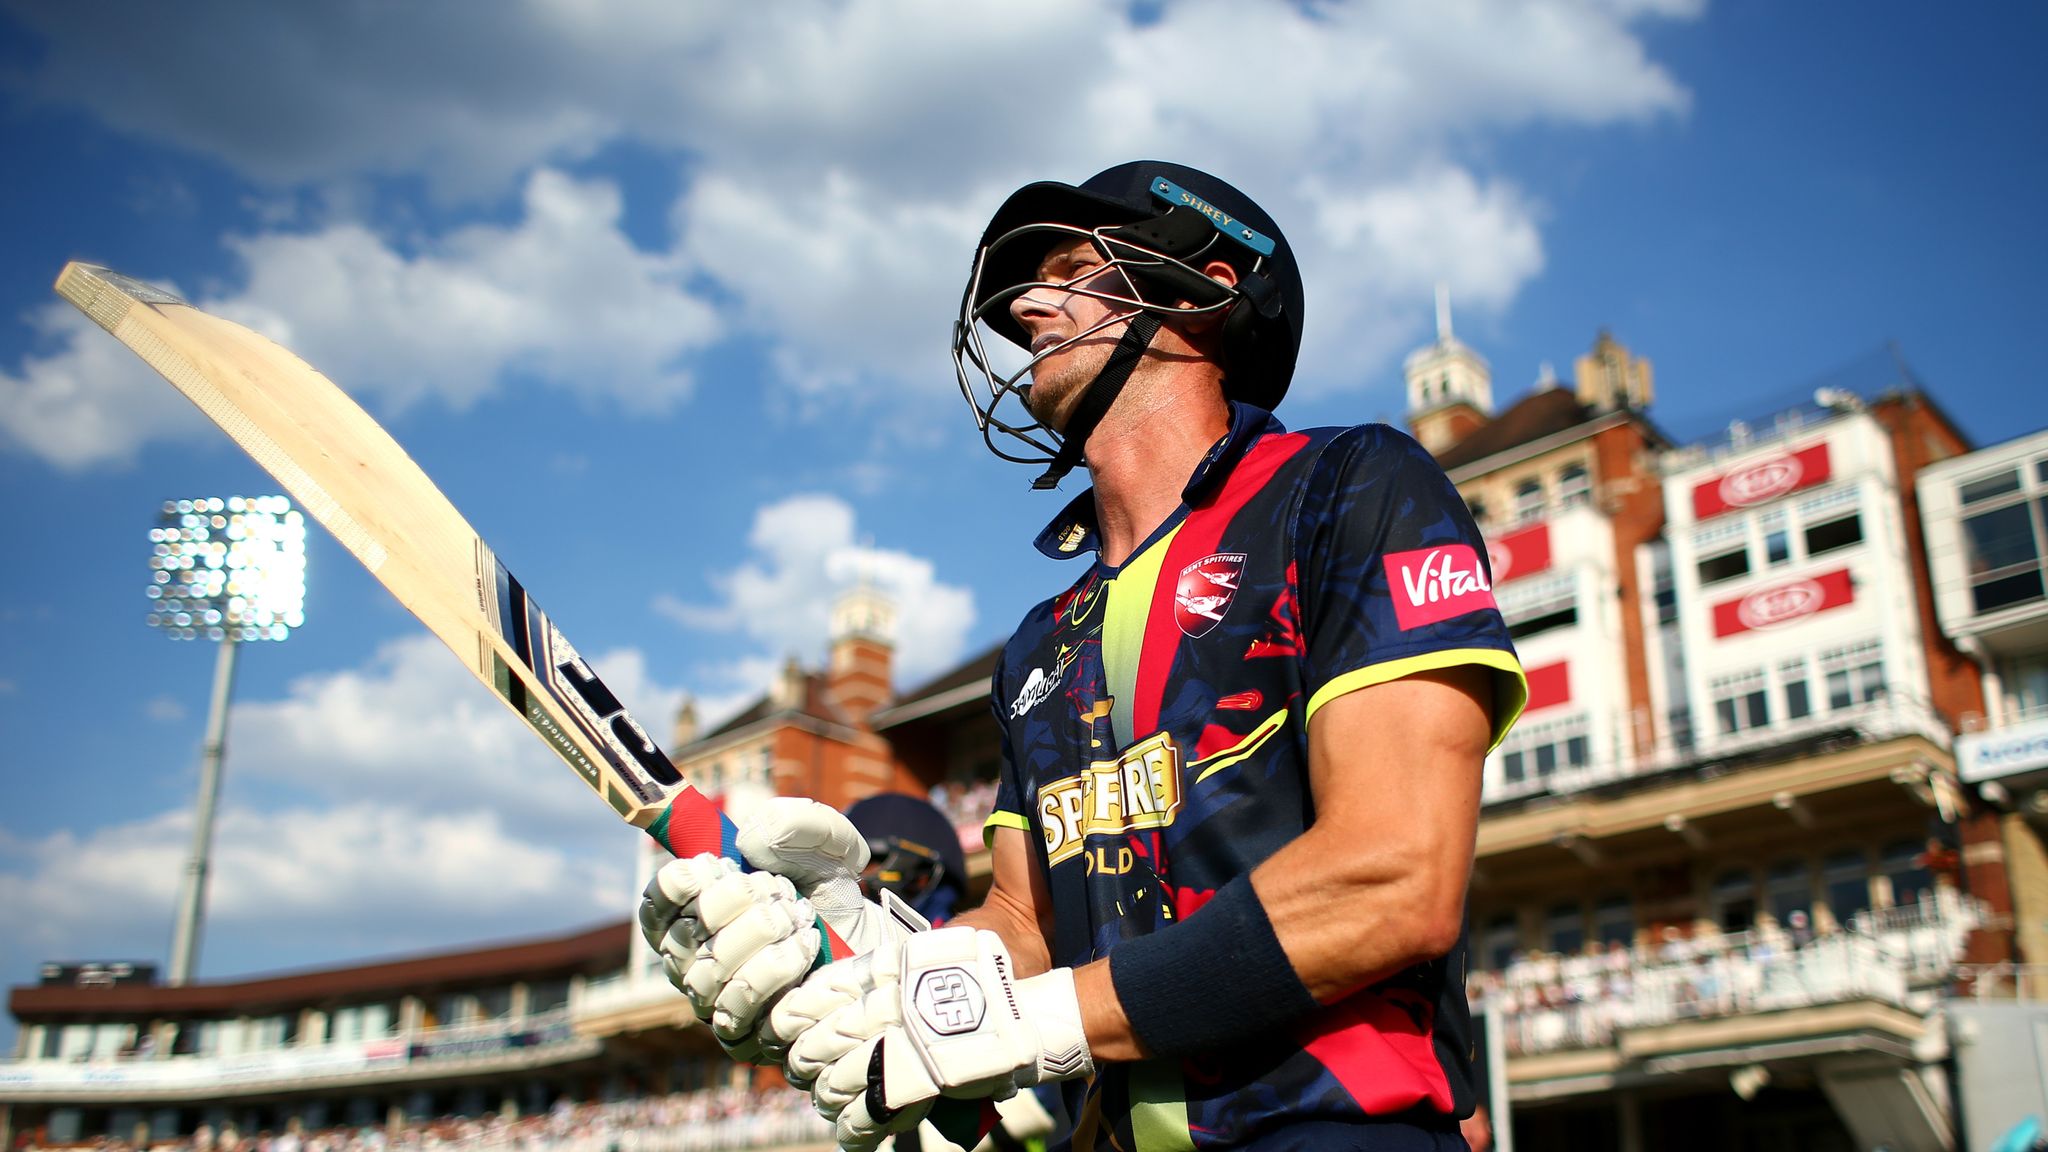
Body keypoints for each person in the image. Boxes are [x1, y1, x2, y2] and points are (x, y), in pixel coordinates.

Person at [641, 161, 1525, 1151]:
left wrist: (1031, 1024)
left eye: (1070, 269)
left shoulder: (1348, 487)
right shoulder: (1035, 646)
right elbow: (1025, 923)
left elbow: (1392, 878)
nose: (1026, 308)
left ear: (1208, 285)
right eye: (1026, 292)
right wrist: (868, 954)